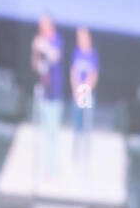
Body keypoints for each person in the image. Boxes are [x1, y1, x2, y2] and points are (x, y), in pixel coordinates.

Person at [31, 14, 63, 174]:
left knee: (53, 132)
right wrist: (36, 51)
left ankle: (53, 169)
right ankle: (42, 167)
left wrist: (43, 46)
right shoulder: (39, 41)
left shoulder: (56, 40)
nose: (41, 27)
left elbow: (56, 56)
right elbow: (35, 66)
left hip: (58, 92)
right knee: (41, 131)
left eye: (43, 24)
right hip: (43, 92)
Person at [69, 26, 99, 164]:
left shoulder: (92, 54)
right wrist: (76, 90)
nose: (80, 40)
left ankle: (86, 155)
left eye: (82, 37)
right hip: (77, 93)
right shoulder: (76, 53)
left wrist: (84, 91)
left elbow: (93, 75)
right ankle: (75, 153)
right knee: (76, 124)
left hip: (86, 94)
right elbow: (73, 72)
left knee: (86, 124)